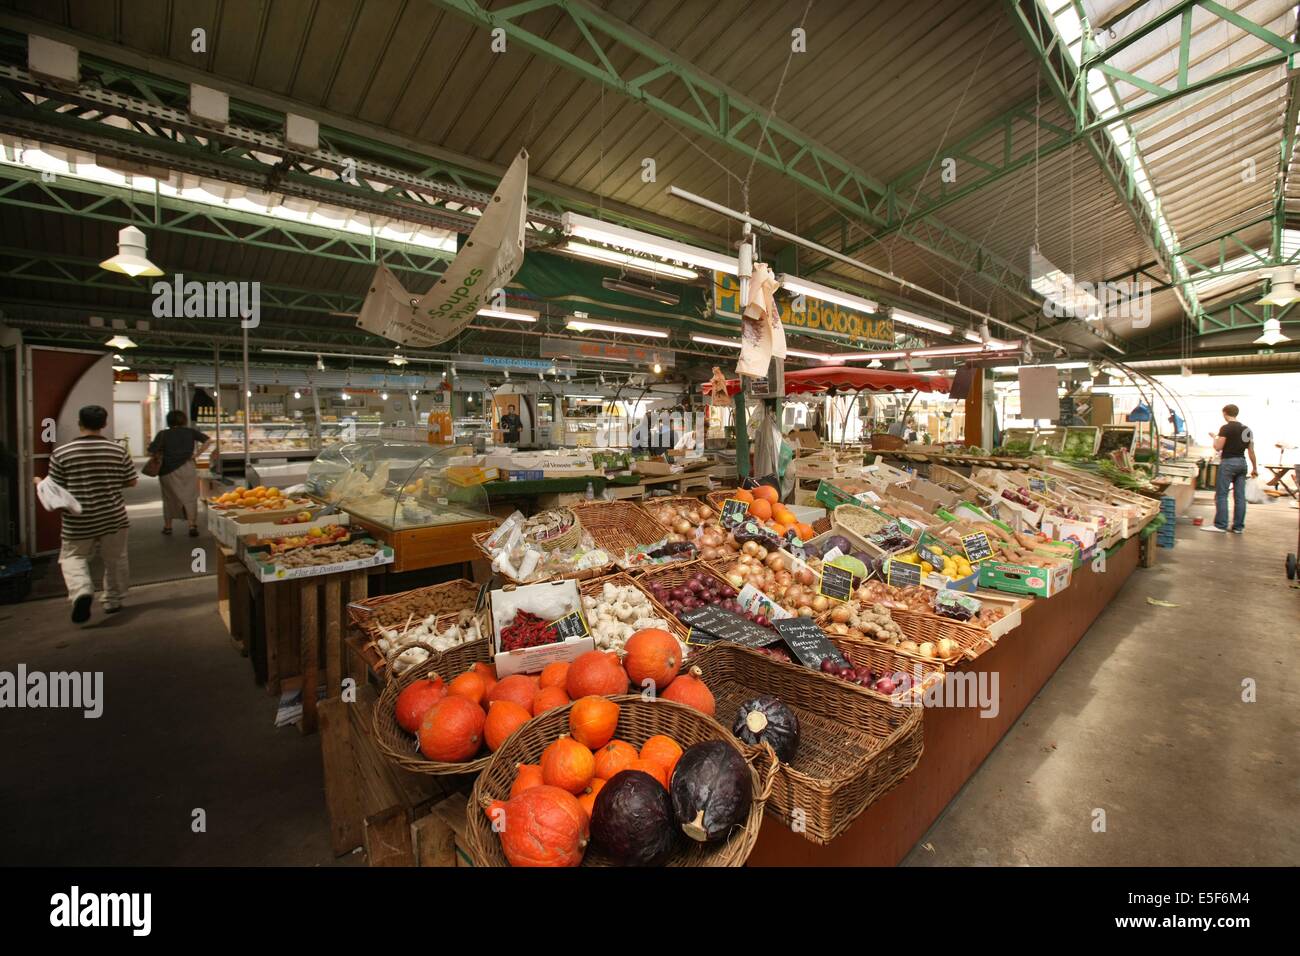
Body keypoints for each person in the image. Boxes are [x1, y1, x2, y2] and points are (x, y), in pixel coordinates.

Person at [40, 405, 138, 623]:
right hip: (113, 515)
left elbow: (55, 487)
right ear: (104, 424)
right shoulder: (117, 450)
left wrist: (39, 483)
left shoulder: (61, 453)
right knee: (115, 558)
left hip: (78, 518)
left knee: (73, 557)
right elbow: (131, 481)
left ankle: (82, 591)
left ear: (79, 423)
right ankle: (113, 600)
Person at [148, 410, 212, 537]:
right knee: (190, 497)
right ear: (184, 420)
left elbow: (151, 451)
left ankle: (168, 526)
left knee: (169, 498)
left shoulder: (163, 434)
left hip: (168, 470)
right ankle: (192, 525)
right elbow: (208, 441)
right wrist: (196, 454)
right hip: (188, 467)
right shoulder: (190, 432)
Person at [1202, 403, 1258, 534]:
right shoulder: (1247, 429)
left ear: (1225, 413)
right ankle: (1238, 527)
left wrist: (1214, 437)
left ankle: (1221, 525)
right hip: (1242, 463)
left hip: (1228, 463)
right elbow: (1251, 451)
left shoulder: (1226, 428)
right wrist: (1254, 468)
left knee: (1221, 495)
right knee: (1240, 496)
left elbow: (1218, 447)